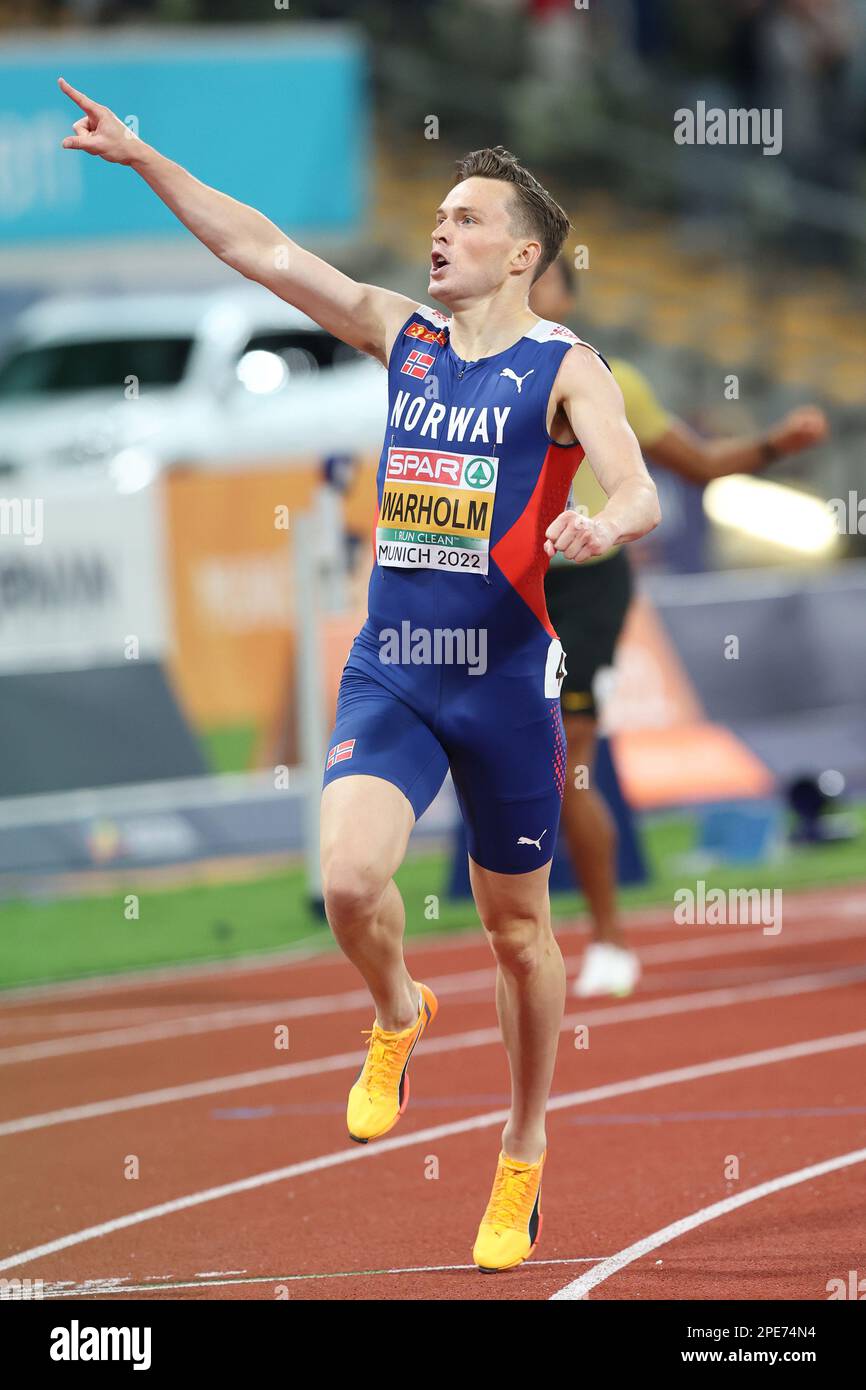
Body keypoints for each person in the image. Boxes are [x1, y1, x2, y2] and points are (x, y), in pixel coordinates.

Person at [59, 81, 661, 1271]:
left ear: (521, 254)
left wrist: (600, 524)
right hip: (392, 669)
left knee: (516, 933)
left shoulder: (563, 368)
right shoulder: (403, 333)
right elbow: (258, 250)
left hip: (499, 685)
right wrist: (144, 156)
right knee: (345, 882)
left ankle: (522, 1145)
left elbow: (635, 483)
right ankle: (397, 1008)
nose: (439, 232)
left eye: (465, 219)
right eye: (435, 216)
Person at [529, 253, 829, 997]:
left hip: (585, 585)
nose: (528, 285)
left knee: (571, 761)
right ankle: (520, 935)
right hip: (505, 584)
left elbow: (697, 466)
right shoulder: (472, 377)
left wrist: (776, 445)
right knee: (509, 763)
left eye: (545, 275)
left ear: (568, 294)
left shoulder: (610, 380)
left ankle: (608, 940)